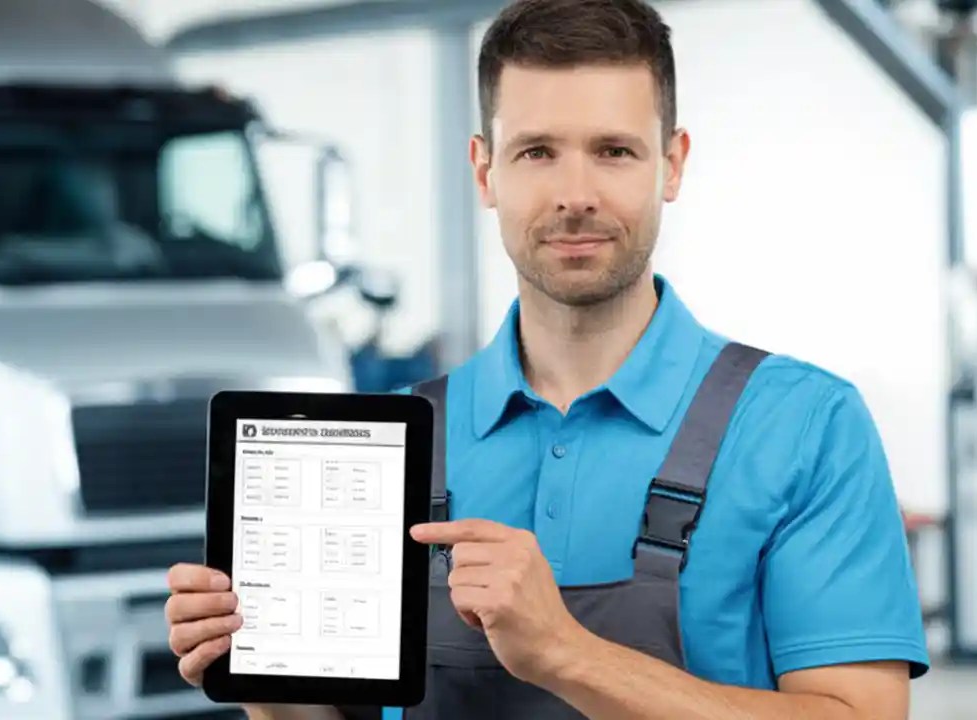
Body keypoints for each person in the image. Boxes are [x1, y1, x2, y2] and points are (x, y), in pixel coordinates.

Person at [163, 0, 930, 717]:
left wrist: (564, 653)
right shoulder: (389, 443)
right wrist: (265, 681)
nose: (575, 194)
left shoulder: (805, 425)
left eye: (614, 151)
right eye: (537, 151)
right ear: (485, 171)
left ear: (672, 165)